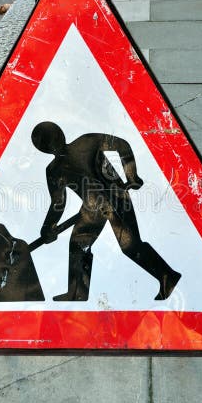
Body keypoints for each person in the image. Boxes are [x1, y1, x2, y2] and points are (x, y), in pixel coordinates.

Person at [31, 121, 181, 301]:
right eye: (47, 142)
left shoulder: (86, 143)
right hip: (93, 208)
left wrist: (131, 175)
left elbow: (121, 145)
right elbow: (58, 203)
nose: (53, 144)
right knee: (78, 246)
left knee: (130, 245)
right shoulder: (54, 170)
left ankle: (167, 276)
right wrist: (48, 227)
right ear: (43, 148)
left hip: (116, 197)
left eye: (52, 138)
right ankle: (78, 291)